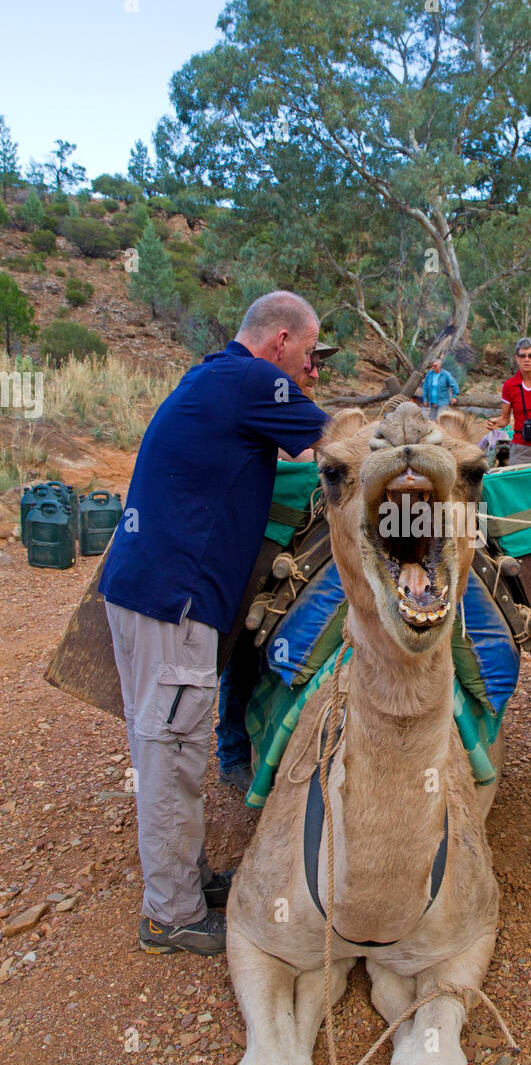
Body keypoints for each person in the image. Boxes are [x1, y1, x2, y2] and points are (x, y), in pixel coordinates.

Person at [100, 292, 329, 955]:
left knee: (171, 744)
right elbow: (328, 439)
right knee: (170, 750)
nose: (311, 370)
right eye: (310, 356)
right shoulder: (257, 379)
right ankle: (170, 915)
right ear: (280, 341)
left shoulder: (213, 374)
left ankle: (189, 879)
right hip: (174, 601)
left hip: (146, 590)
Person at [216, 338, 338, 792]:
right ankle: (232, 752)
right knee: (243, 649)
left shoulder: (299, 404)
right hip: (256, 550)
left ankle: (273, 744)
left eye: (319, 364)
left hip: (299, 551)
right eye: (311, 361)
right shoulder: (266, 399)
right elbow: (305, 463)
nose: (315, 371)